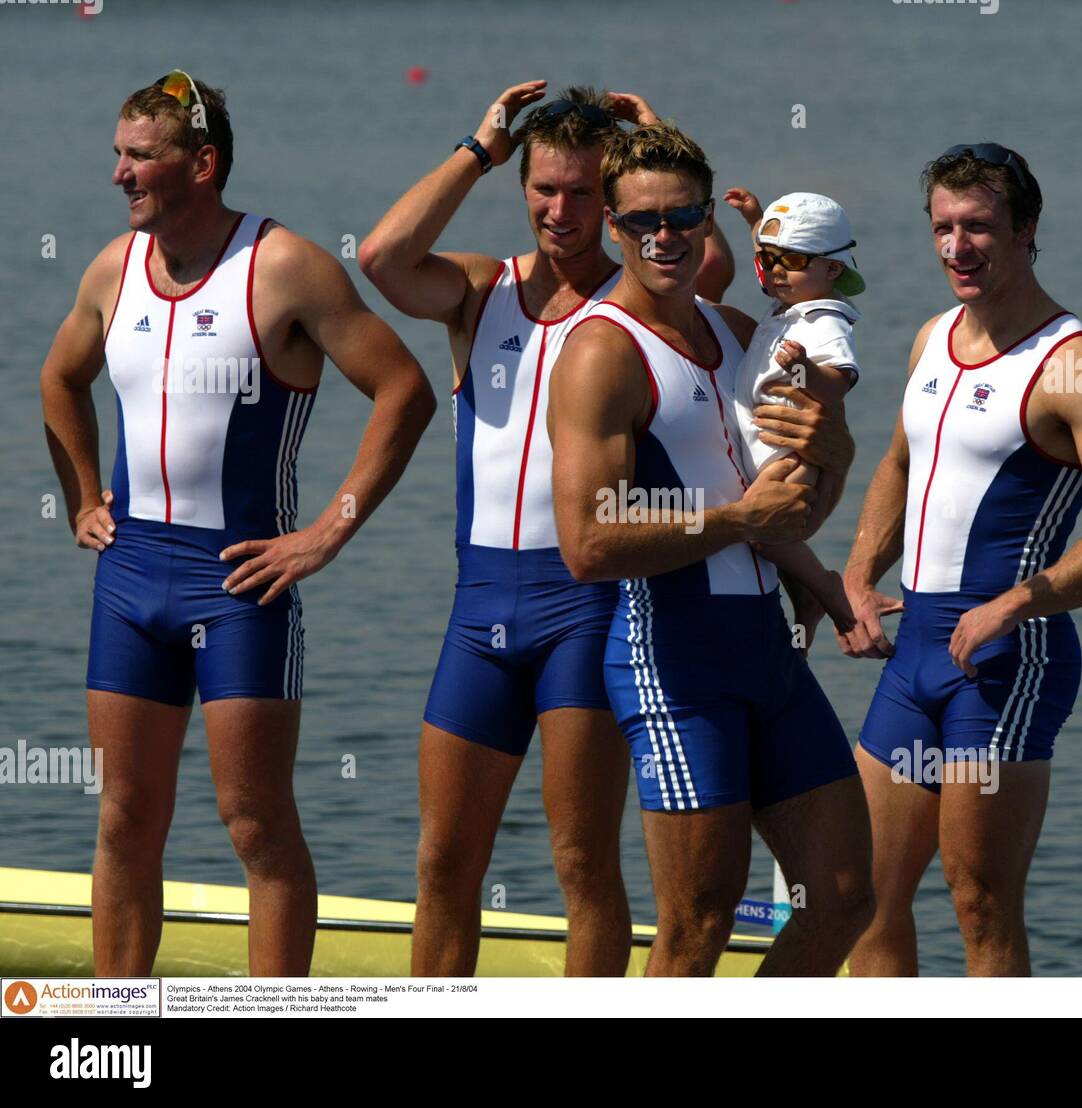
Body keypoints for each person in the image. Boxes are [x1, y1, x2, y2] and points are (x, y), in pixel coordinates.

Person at [39, 71, 435, 976]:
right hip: (129, 578)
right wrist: (83, 497)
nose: (119, 174)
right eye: (118, 155)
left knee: (255, 825)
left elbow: (404, 389)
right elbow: (60, 379)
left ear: (203, 163)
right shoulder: (113, 267)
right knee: (125, 820)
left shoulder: (285, 266)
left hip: (241, 584)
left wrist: (331, 528)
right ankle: (120, 1027)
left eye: (141, 156)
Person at [360, 82, 732, 976]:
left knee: (581, 864)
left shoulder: (645, 299)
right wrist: (479, 147)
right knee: (445, 862)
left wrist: (657, 140)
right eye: (543, 190)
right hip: (480, 608)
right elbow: (380, 257)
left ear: (613, 203)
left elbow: (708, 256)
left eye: (581, 193)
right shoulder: (480, 290)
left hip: (590, 607)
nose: (560, 211)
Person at [549, 122, 873, 976]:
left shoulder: (740, 333)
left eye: (683, 216)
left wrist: (833, 454)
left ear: (706, 221)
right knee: (698, 922)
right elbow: (586, 545)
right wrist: (735, 521)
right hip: (674, 660)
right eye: (640, 222)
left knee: (842, 897)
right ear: (613, 229)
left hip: (764, 653)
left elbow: (796, 515)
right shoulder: (600, 353)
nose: (664, 237)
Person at [839, 143, 1082, 976]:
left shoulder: (1074, 361)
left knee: (979, 903)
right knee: (861, 894)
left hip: (1006, 662)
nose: (958, 247)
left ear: (1026, 230)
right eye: (943, 228)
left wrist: (1018, 602)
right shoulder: (931, 338)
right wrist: (855, 576)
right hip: (914, 655)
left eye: (979, 227)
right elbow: (898, 463)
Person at [722, 188, 864, 640]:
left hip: (791, 455)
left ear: (832, 269)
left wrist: (803, 369)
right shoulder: (787, 306)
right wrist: (754, 219)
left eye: (795, 261)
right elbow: (773, 260)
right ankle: (804, 598)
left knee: (761, 530)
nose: (778, 271)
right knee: (765, 534)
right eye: (770, 258)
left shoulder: (824, 321)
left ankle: (826, 589)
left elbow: (838, 383)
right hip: (766, 449)